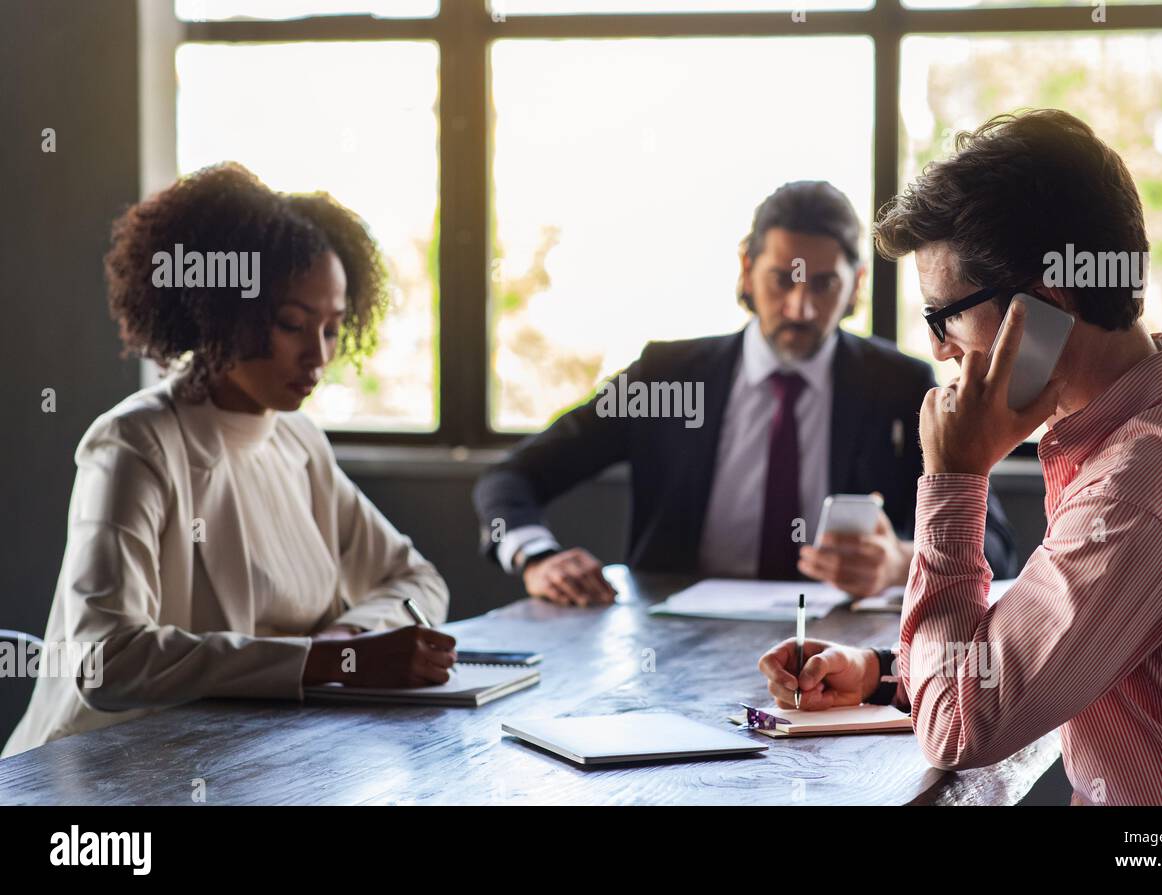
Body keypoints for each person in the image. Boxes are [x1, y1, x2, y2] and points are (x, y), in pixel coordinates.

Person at [758, 110, 1162, 805]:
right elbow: (1057, 623)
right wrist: (884, 671)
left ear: (1043, 305)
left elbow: (958, 725)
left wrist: (954, 479)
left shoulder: (1144, 482)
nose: (939, 349)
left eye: (944, 314)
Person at [3, 163, 455, 757]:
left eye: (332, 329)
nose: (316, 358)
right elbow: (103, 658)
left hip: (252, 762)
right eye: (292, 324)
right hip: (102, 779)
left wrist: (349, 636)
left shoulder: (299, 442)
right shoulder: (134, 445)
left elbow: (417, 579)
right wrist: (318, 662)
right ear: (221, 310)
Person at [474, 181, 1017, 607]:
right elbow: (511, 477)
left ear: (855, 285)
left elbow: (995, 546)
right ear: (746, 269)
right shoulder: (667, 377)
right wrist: (536, 557)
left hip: (838, 659)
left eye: (823, 284)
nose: (801, 308)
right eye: (783, 279)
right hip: (669, 649)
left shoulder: (900, 385)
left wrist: (900, 562)